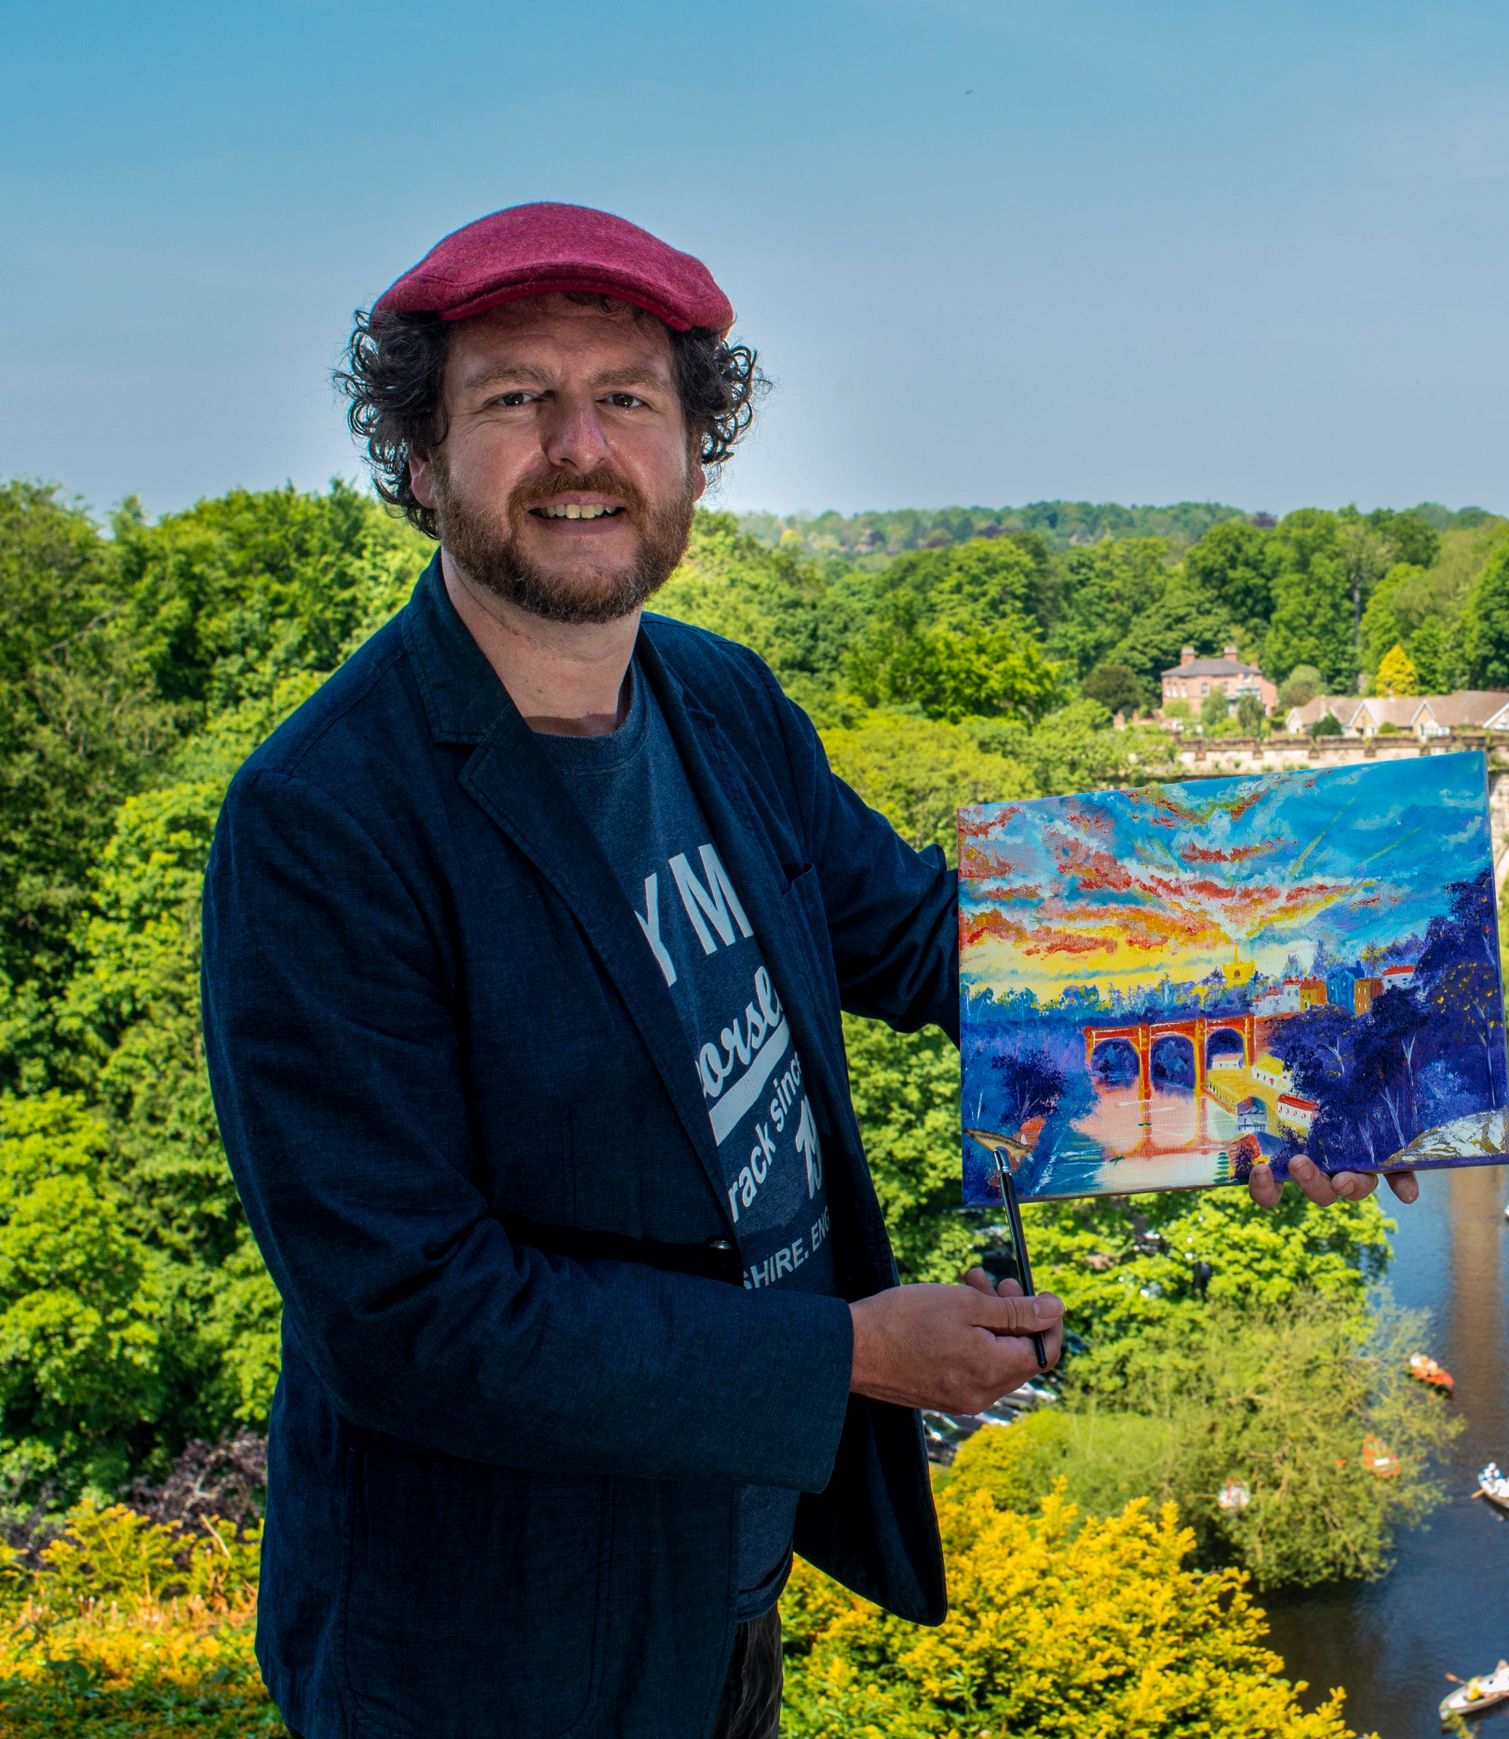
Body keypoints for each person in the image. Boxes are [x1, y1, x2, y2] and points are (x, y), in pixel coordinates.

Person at [200, 203, 1415, 1739]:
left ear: (693, 453)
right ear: (424, 459)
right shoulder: (324, 820)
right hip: (484, 1642)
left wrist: (1286, 1063)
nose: (581, 445)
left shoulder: (718, 700)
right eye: (515, 398)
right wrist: (852, 1352)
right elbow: (414, 1322)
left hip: (722, 1572)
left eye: (630, 399)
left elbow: (925, 942)